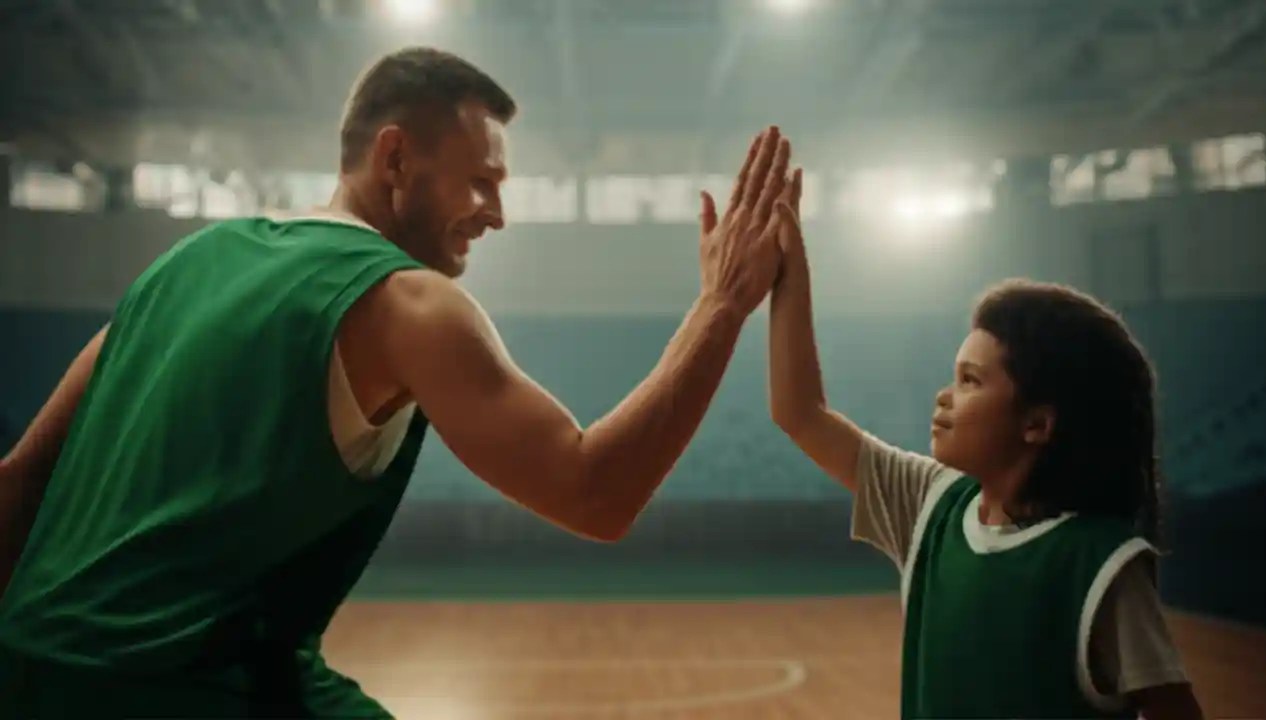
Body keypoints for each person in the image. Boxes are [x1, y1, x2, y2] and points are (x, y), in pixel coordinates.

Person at [0, 47, 794, 716]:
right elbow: (595, 493)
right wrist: (721, 306)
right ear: (394, 158)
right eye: (482, 181)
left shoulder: (181, 266)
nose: (497, 213)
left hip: (27, 665)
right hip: (180, 689)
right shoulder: (407, 303)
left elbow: (22, 475)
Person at [766, 172, 1205, 719]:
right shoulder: (932, 504)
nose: (945, 397)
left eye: (971, 381)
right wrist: (787, 272)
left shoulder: (1099, 565)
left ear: (1037, 425)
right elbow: (799, 413)